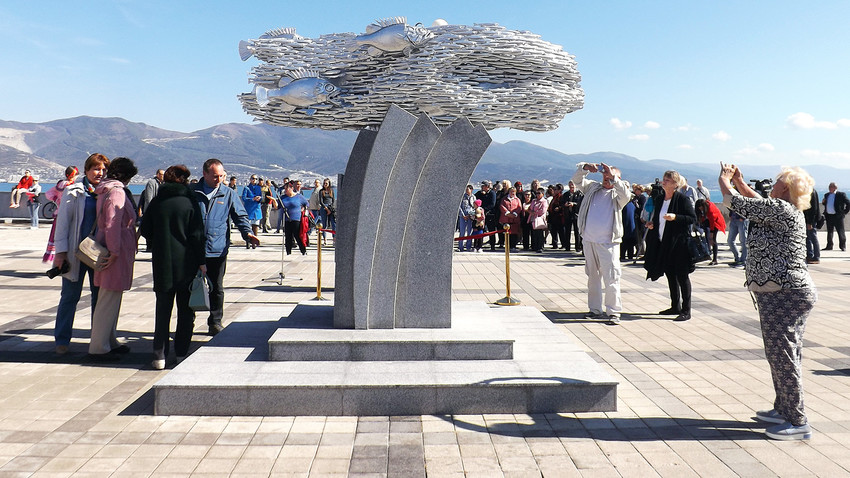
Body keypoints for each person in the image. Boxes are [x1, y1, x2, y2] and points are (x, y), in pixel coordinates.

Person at [719, 163, 816, 441]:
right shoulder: (780, 209)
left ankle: (797, 421)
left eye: (777, 182)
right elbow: (755, 202)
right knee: (781, 353)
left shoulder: (782, 210)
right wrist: (739, 181)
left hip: (784, 292)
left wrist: (725, 180)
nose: (772, 185)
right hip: (782, 292)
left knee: (783, 354)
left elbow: (736, 203)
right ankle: (783, 408)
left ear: (785, 187)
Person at [140, 165, 206, 369]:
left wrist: (158, 241)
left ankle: (159, 354)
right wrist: (202, 261)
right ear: (185, 181)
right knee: (185, 311)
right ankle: (181, 352)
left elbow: (144, 229)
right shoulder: (189, 202)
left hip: (162, 263)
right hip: (187, 263)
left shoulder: (157, 202)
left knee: (163, 310)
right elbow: (197, 235)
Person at [192, 158, 259, 336]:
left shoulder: (228, 193)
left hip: (217, 248)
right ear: (204, 173)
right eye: (215, 176)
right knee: (191, 286)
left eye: (222, 176)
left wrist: (247, 234)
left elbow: (240, 216)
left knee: (217, 288)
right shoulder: (192, 192)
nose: (218, 179)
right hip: (194, 250)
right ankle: (187, 321)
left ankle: (215, 321)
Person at [52, 154, 108, 355]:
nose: (99, 173)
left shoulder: (106, 192)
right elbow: (63, 223)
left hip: (97, 253)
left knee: (99, 298)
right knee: (69, 296)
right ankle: (62, 339)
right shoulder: (73, 191)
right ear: (86, 170)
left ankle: (97, 338)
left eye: (102, 169)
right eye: (95, 169)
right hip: (75, 252)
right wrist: (61, 253)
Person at [88, 157, 139, 362]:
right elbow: (112, 222)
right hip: (113, 252)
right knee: (108, 298)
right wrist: (115, 251)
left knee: (110, 297)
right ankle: (99, 347)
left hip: (108, 248)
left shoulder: (105, 189)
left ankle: (109, 339)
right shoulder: (117, 191)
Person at [572, 162, 631, 325]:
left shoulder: (619, 193)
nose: (607, 178)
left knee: (612, 277)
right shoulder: (592, 188)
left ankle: (613, 311)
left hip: (608, 243)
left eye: (610, 176)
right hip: (589, 240)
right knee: (592, 277)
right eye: (605, 175)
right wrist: (584, 169)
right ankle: (595, 310)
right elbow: (576, 181)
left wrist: (614, 178)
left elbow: (626, 195)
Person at [643, 170, 697, 322]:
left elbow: (692, 218)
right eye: (664, 179)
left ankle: (686, 310)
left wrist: (676, 217)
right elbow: (660, 220)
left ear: (675, 184)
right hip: (664, 243)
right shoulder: (660, 199)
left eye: (667, 179)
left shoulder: (682, 199)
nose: (664, 181)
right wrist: (652, 224)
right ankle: (675, 306)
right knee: (670, 275)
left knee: (682, 276)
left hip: (679, 245)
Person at [43, 166, 79, 263]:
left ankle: (54, 258)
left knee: (57, 236)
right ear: (73, 175)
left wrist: (56, 199)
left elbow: (48, 194)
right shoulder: (71, 186)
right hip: (69, 213)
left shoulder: (59, 184)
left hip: (58, 212)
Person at [280, 181, 310, 255]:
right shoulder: (283, 197)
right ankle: (288, 251)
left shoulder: (299, 196)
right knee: (288, 236)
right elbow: (278, 206)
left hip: (296, 219)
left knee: (297, 235)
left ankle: (303, 250)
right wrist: (274, 200)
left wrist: (303, 208)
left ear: (291, 188)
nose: (285, 191)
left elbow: (307, 204)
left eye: (287, 189)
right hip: (287, 219)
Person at [694, 198, 726, 265]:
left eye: (701, 208)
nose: (700, 209)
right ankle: (708, 253)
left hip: (716, 222)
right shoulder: (704, 207)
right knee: (707, 238)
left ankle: (715, 259)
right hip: (708, 221)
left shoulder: (711, 209)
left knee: (713, 240)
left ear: (703, 206)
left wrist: (712, 233)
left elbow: (712, 222)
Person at [821, 182, 849, 251]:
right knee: (829, 232)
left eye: (831, 187)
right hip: (829, 216)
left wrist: (844, 212)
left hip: (838, 216)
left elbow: (848, 203)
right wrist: (824, 202)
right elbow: (826, 204)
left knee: (840, 231)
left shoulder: (841, 195)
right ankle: (829, 246)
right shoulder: (827, 195)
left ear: (835, 188)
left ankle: (842, 246)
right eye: (829, 187)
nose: (829, 188)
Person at [475, 180, 497, 251]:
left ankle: (492, 245)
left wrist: (484, 209)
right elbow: (475, 200)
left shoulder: (492, 193)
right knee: (480, 229)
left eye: (483, 186)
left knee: (491, 230)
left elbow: (492, 204)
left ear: (487, 187)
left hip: (489, 214)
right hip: (481, 215)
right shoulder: (479, 193)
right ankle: (478, 245)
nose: (482, 187)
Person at [561, 181, 583, 252]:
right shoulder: (566, 194)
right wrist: (565, 204)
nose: (571, 187)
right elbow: (561, 203)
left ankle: (578, 247)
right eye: (570, 185)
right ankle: (567, 247)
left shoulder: (580, 194)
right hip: (568, 215)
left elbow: (581, 204)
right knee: (567, 231)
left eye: (572, 185)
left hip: (576, 215)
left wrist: (574, 204)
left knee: (577, 232)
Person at [241, 174, 263, 239]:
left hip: (256, 210)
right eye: (253, 178)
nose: (254, 180)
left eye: (256, 179)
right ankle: (248, 241)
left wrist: (260, 198)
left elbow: (262, 198)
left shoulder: (259, 188)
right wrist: (252, 199)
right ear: (250, 179)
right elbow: (244, 198)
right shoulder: (246, 188)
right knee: (248, 227)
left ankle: (254, 241)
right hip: (249, 210)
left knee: (255, 226)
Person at [804, 189, 822, 264]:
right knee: (807, 237)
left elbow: (813, 209)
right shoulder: (807, 191)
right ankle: (809, 255)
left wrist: (810, 222)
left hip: (811, 219)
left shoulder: (811, 192)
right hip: (806, 218)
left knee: (813, 237)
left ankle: (816, 256)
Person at [528, 188, 548, 253]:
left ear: (543, 194)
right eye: (536, 193)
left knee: (540, 233)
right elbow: (530, 208)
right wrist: (531, 211)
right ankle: (534, 246)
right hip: (533, 219)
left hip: (540, 219)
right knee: (534, 233)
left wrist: (534, 212)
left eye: (539, 193)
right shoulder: (534, 201)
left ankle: (540, 246)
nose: (537, 195)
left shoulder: (544, 201)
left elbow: (543, 211)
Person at [458, 185, 476, 252]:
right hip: (463, 216)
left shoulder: (473, 197)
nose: (466, 190)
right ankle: (460, 246)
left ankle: (468, 246)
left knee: (469, 232)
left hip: (470, 216)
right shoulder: (462, 197)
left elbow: (475, 207)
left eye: (468, 189)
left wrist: (471, 215)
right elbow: (459, 207)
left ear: (471, 190)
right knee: (462, 231)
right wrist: (463, 215)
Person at [318, 178, 336, 246]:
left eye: (326, 183)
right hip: (324, 207)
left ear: (329, 184)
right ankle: (325, 239)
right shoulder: (321, 191)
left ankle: (334, 239)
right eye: (324, 183)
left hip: (330, 207)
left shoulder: (331, 191)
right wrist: (326, 208)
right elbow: (321, 201)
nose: (325, 184)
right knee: (324, 224)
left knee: (333, 224)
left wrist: (331, 208)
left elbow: (333, 200)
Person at [548, 183, 565, 249]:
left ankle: (563, 244)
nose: (554, 190)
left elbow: (563, 205)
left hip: (559, 217)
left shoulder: (561, 197)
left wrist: (559, 208)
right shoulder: (554, 197)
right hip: (553, 217)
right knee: (553, 231)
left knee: (561, 231)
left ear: (559, 190)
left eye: (555, 189)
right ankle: (555, 244)